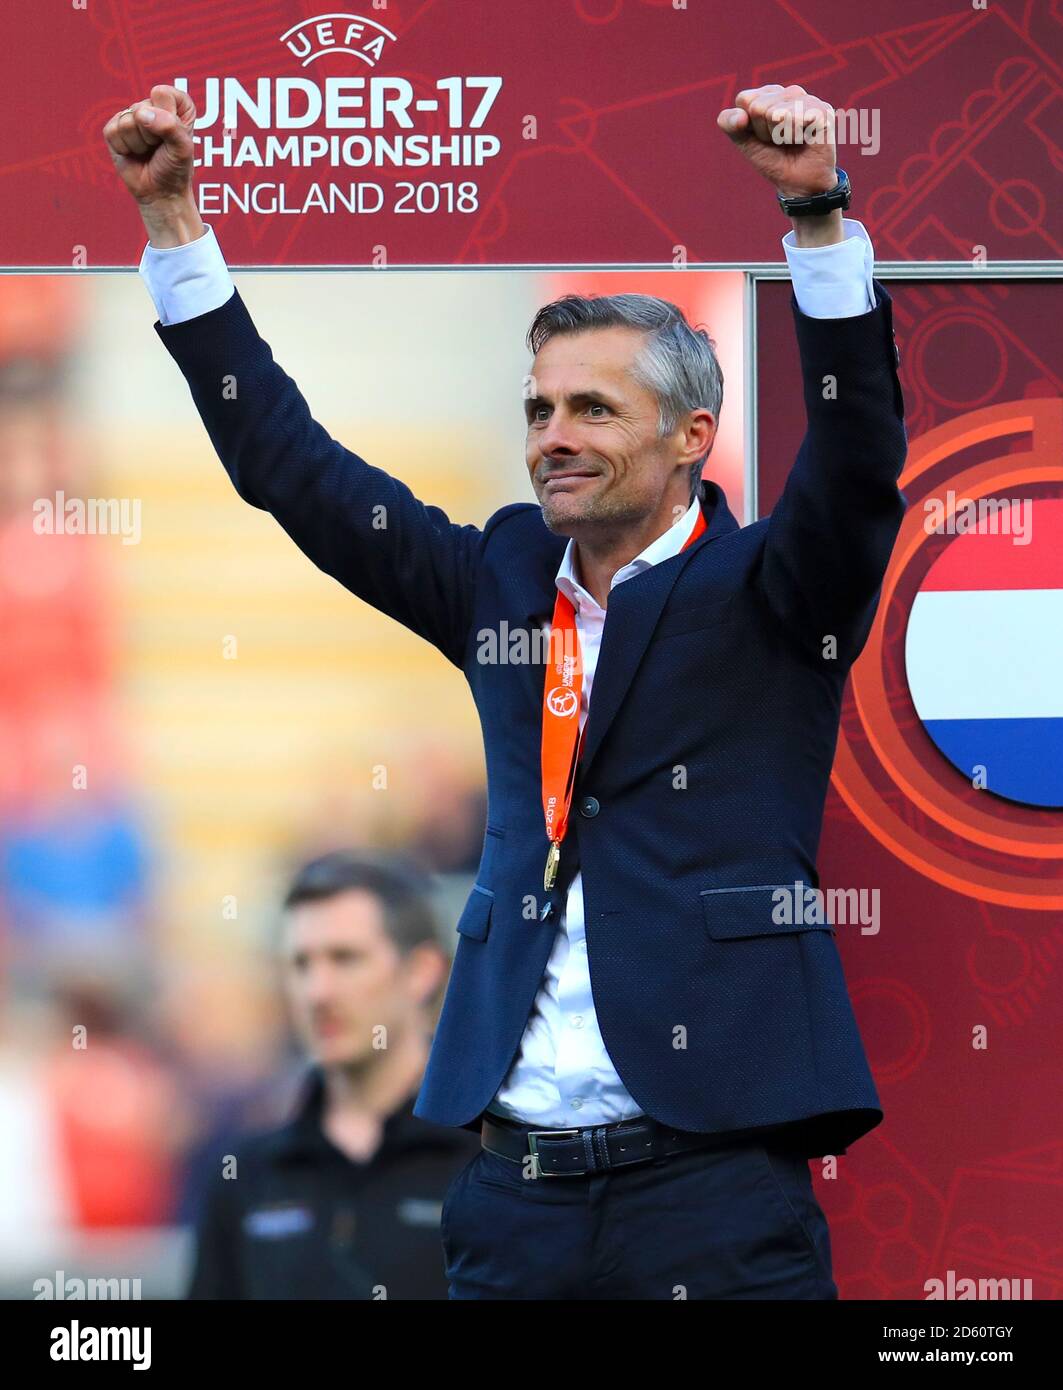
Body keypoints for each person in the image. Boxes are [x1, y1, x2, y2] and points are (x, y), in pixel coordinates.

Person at [105, 81, 907, 1300]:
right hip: (514, 1198)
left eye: (593, 408)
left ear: (692, 436)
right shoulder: (499, 577)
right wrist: (175, 228)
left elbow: (854, 466)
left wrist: (815, 217)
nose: (552, 436)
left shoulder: (773, 590)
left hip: (711, 1190)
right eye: (538, 409)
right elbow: (292, 470)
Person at [185, 852, 480, 1299]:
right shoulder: (246, 1176)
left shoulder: (487, 1161)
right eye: (301, 964)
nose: (317, 992)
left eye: (345, 958)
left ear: (421, 972)